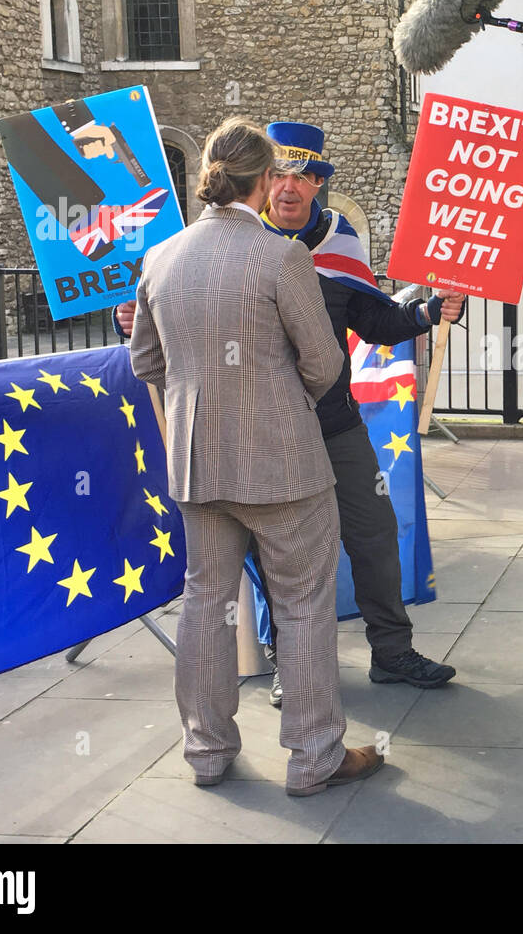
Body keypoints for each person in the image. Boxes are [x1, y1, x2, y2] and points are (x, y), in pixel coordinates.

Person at [122, 122, 466, 699]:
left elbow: (376, 320)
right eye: (278, 174)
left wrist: (429, 312)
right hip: (261, 439)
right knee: (277, 557)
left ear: (318, 185)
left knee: (375, 531)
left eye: (302, 176)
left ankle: (392, 650)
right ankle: (289, 664)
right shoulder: (223, 246)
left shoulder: (339, 246)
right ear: (259, 182)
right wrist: (128, 321)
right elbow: (166, 331)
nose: (288, 187)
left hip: (334, 428)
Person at [128, 116, 384, 797]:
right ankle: (313, 756)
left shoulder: (159, 258)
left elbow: (146, 361)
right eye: (279, 175)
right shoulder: (281, 257)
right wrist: (279, 402)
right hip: (283, 464)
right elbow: (326, 363)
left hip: (196, 462)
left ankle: (206, 752)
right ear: (266, 180)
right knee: (303, 605)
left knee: (205, 602)